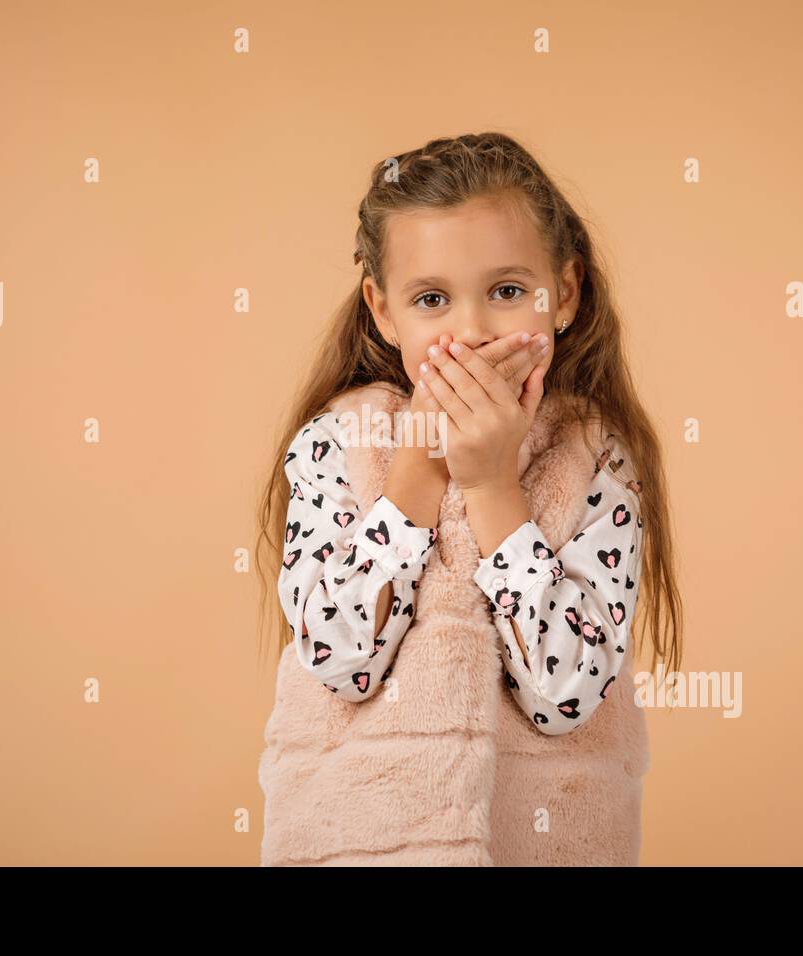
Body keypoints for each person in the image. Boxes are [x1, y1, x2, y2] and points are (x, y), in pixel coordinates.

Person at [254, 131, 683, 866]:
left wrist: (492, 486)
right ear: (384, 313)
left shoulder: (595, 458)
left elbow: (563, 696)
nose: (472, 331)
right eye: (431, 300)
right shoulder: (338, 442)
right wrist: (415, 473)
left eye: (508, 292)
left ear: (566, 294)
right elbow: (339, 660)